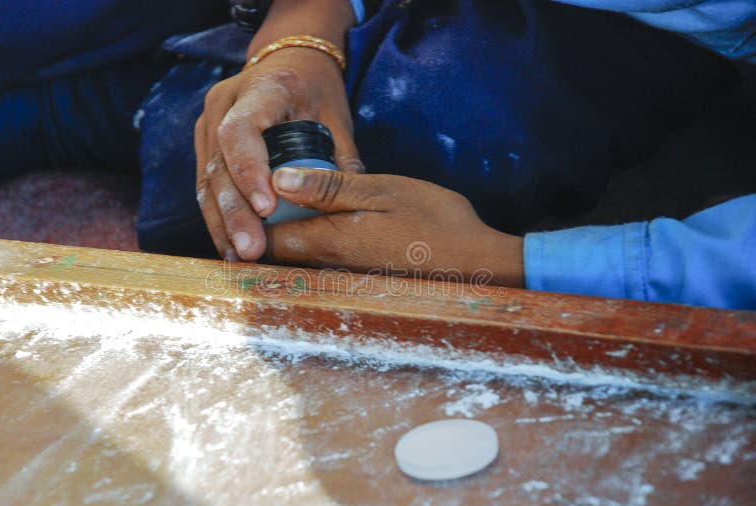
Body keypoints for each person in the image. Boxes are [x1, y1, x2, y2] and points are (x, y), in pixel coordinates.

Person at [186, 0, 755, 309]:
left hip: (664, 31)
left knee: (410, 155)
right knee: (210, 161)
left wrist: (501, 261)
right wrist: (300, 34)